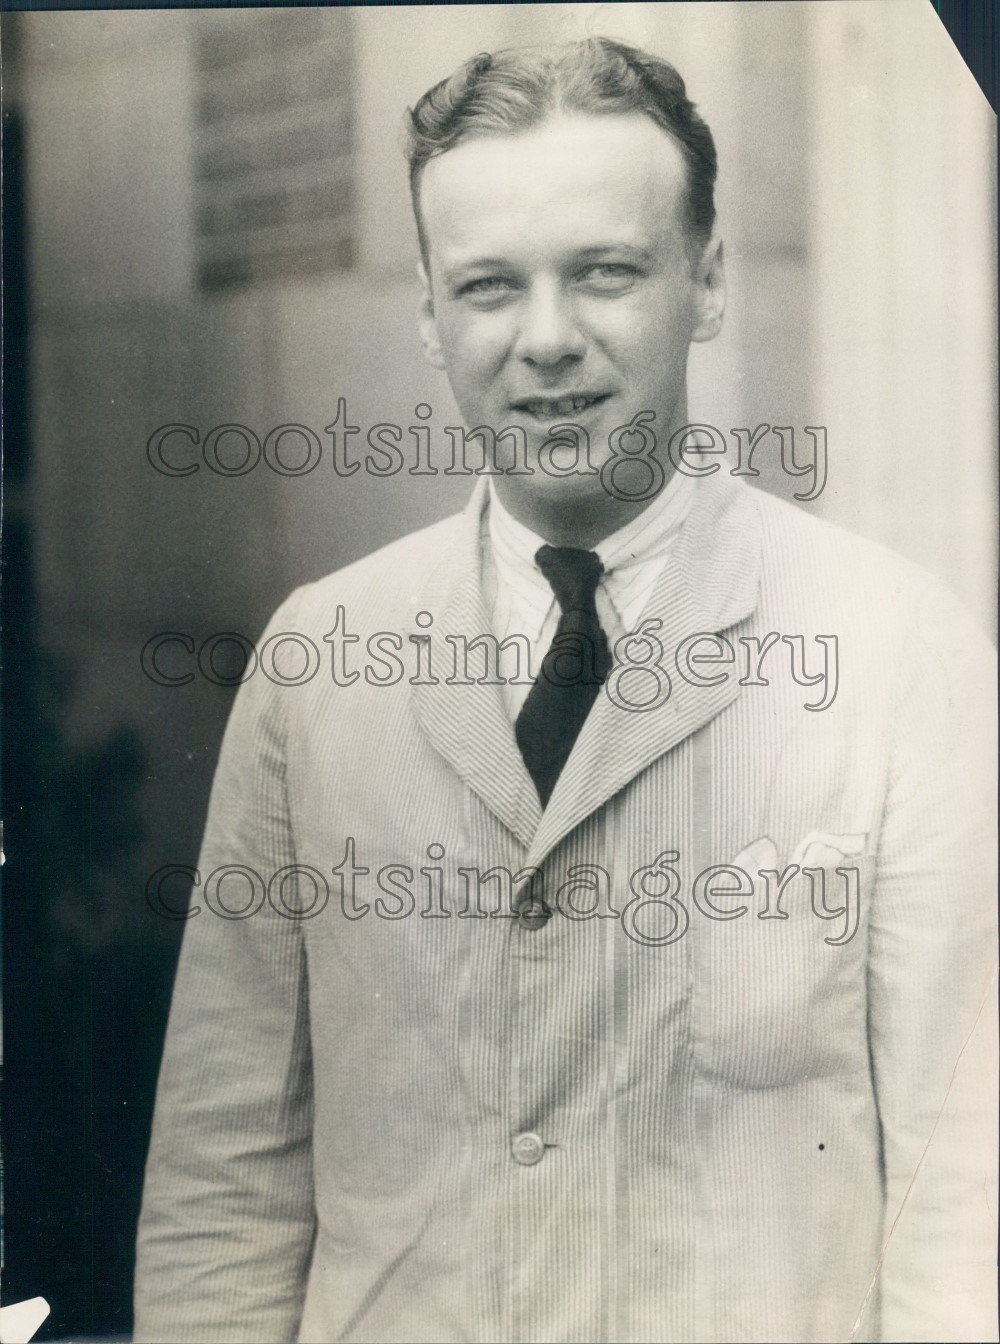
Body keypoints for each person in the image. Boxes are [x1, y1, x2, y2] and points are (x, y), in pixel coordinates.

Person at [134, 38, 997, 1344]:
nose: (547, 342)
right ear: (429, 313)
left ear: (703, 283)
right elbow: (225, 1179)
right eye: (487, 287)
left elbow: (965, 1186)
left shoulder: (898, 653)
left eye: (605, 272)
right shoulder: (318, 663)